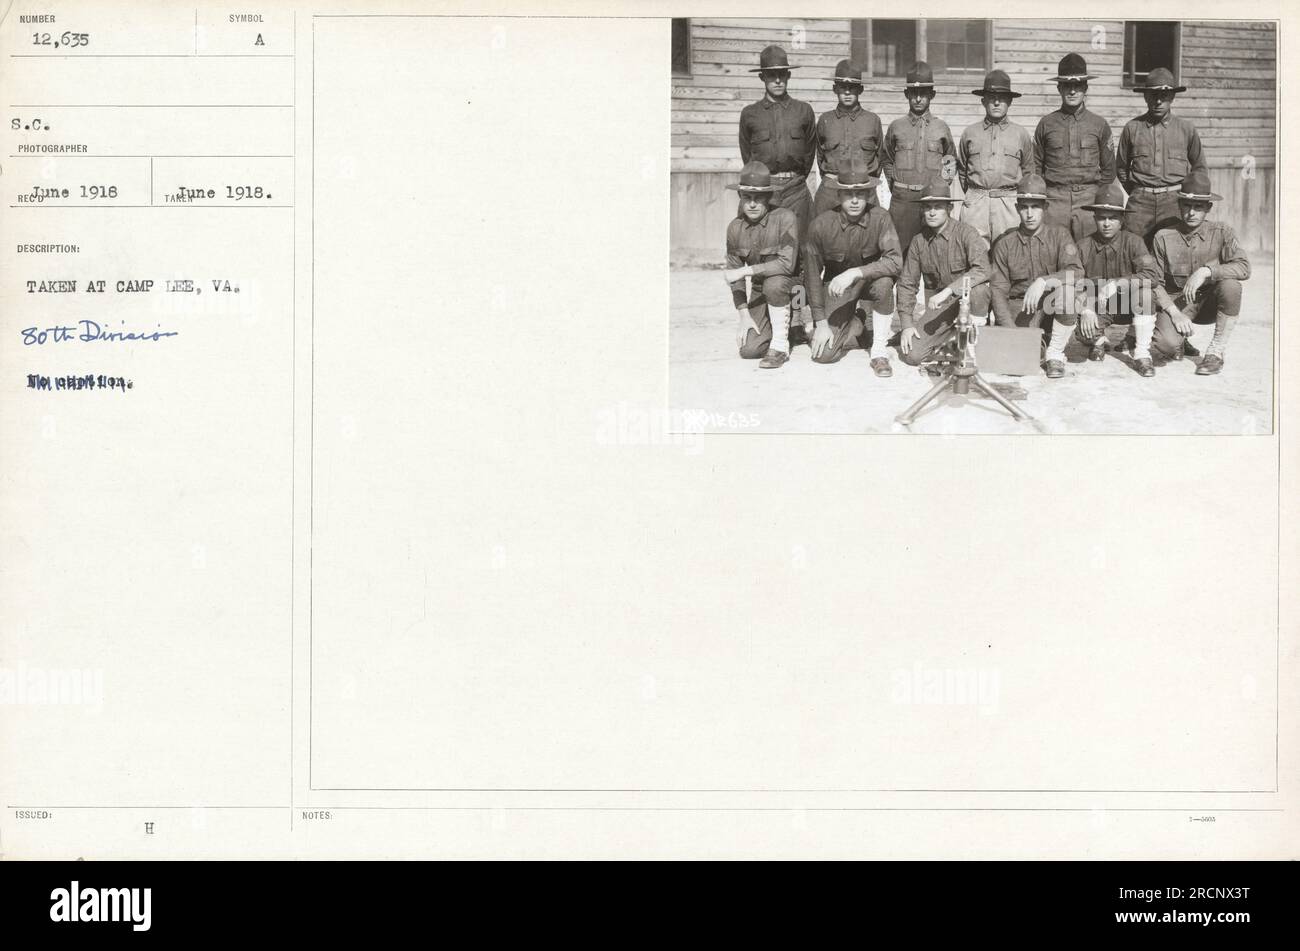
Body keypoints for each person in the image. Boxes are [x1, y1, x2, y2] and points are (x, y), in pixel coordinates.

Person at [802, 162, 903, 375]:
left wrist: (855, 272)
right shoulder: (820, 225)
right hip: (837, 287)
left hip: (870, 283)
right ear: (838, 196)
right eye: (849, 195)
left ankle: (878, 352)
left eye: (861, 193)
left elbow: (894, 261)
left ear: (868, 194)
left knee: (884, 283)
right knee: (824, 355)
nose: (855, 200)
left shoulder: (881, 218)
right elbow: (812, 276)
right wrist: (820, 323)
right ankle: (856, 321)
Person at [1150, 169, 1251, 376]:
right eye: (1187, 205)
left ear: (1208, 208)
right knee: (1165, 346)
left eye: (1198, 207)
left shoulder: (1222, 232)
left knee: (1231, 286)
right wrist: (1175, 314)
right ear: (1179, 206)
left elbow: (1243, 267)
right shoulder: (1163, 236)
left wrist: (1207, 271)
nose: (1191, 212)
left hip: (1209, 303)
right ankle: (1180, 340)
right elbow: (1154, 282)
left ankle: (1216, 352)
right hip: (1179, 303)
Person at [1058, 182, 1163, 377]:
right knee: (1082, 326)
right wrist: (1086, 307)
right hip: (1099, 307)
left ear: (1121, 220)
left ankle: (1141, 353)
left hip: (1130, 305)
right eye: (1101, 218)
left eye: (1112, 218)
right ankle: (1099, 341)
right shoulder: (1083, 246)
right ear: (1094, 219)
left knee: (1146, 293)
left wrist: (1119, 283)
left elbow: (1151, 275)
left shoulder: (1134, 242)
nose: (1106, 224)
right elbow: (1073, 281)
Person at [989, 173, 1086, 379]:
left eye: (1035, 207)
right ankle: (1036, 342)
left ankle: (1055, 354)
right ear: (1017, 209)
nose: (1030, 214)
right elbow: (998, 289)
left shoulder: (1059, 235)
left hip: (1052, 308)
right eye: (1024, 207)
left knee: (1068, 292)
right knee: (1016, 366)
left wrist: (1044, 281)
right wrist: (1009, 331)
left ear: (1045, 208)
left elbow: (1077, 272)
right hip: (1022, 309)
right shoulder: (1005, 243)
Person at [896, 181, 991, 368]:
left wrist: (949, 290)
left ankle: (972, 343)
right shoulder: (918, 242)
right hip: (940, 310)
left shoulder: (966, 233)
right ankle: (950, 337)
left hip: (967, 303)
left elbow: (983, 269)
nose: (932, 212)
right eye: (927, 208)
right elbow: (907, 283)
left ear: (949, 208)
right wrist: (906, 324)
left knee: (979, 290)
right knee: (912, 355)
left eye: (938, 207)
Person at [737, 45, 817, 255]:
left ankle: (800, 289)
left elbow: (809, 153)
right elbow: (748, 156)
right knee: (765, 248)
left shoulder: (803, 111)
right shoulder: (750, 114)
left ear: (789, 75)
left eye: (782, 74)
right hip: (766, 192)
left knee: (801, 248)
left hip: (796, 189)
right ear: (762, 77)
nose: (778, 80)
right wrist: (765, 181)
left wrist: (794, 178)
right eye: (772, 75)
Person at [1116, 67, 1208, 247]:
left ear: (1172, 97)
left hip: (1173, 202)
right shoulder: (1132, 128)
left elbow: (1199, 168)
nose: (1158, 101)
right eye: (1153, 95)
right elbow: (1121, 167)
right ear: (1145, 97)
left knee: (1173, 251)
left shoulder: (1186, 129)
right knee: (1133, 249)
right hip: (1140, 203)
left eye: (1164, 96)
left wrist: (1185, 198)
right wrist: (1138, 191)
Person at [720, 161, 800, 368]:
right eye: (747, 198)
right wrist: (744, 315)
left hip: (796, 288)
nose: (752, 204)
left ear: (768, 198)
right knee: (749, 350)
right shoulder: (735, 228)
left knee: (774, 284)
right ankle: (779, 326)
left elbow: (787, 265)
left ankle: (781, 346)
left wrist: (746, 270)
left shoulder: (785, 218)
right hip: (760, 290)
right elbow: (734, 279)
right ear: (741, 198)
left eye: (758, 198)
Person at [1032, 53, 1115, 240]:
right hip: (1054, 201)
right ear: (1059, 88)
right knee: (1054, 251)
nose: (1072, 91)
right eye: (1067, 86)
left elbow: (1109, 170)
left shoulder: (1099, 124)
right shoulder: (1046, 124)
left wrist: (1098, 199)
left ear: (1085, 88)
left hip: (1088, 201)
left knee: (1088, 252)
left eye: (1077, 86)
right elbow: (1036, 166)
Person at [882, 61, 958, 257]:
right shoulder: (896, 126)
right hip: (903, 202)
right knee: (900, 256)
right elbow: (887, 159)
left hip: (931, 202)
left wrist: (940, 187)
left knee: (935, 255)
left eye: (923, 93)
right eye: (913, 94)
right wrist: (898, 186)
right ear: (906, 94)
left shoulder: (941, 127)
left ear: (931, 95)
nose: (917, 99)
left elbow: (950, 159)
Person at [958, 70, 1033, 246]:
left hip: (1008, 203)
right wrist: (976, 196)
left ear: (1010, 101)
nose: (997, 102)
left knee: (1009, 253)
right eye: (992, 97)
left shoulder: (1020, 134)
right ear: (983, 101)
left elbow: (1029, 172)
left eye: (1002, 97)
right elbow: (962, 171)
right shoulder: (970, 133)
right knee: (974, 253)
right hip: (976, 202)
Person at [812, 59, 884, 220]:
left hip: (864, 191)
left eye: (852, 88)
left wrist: (865, 181)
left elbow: (880, 156)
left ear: (860, 90)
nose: (847, 92)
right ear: (834, 89)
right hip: (831, 191)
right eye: (842, 87)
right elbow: (820, 155)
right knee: (823, 233)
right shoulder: (825, 120)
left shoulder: (872, 120)